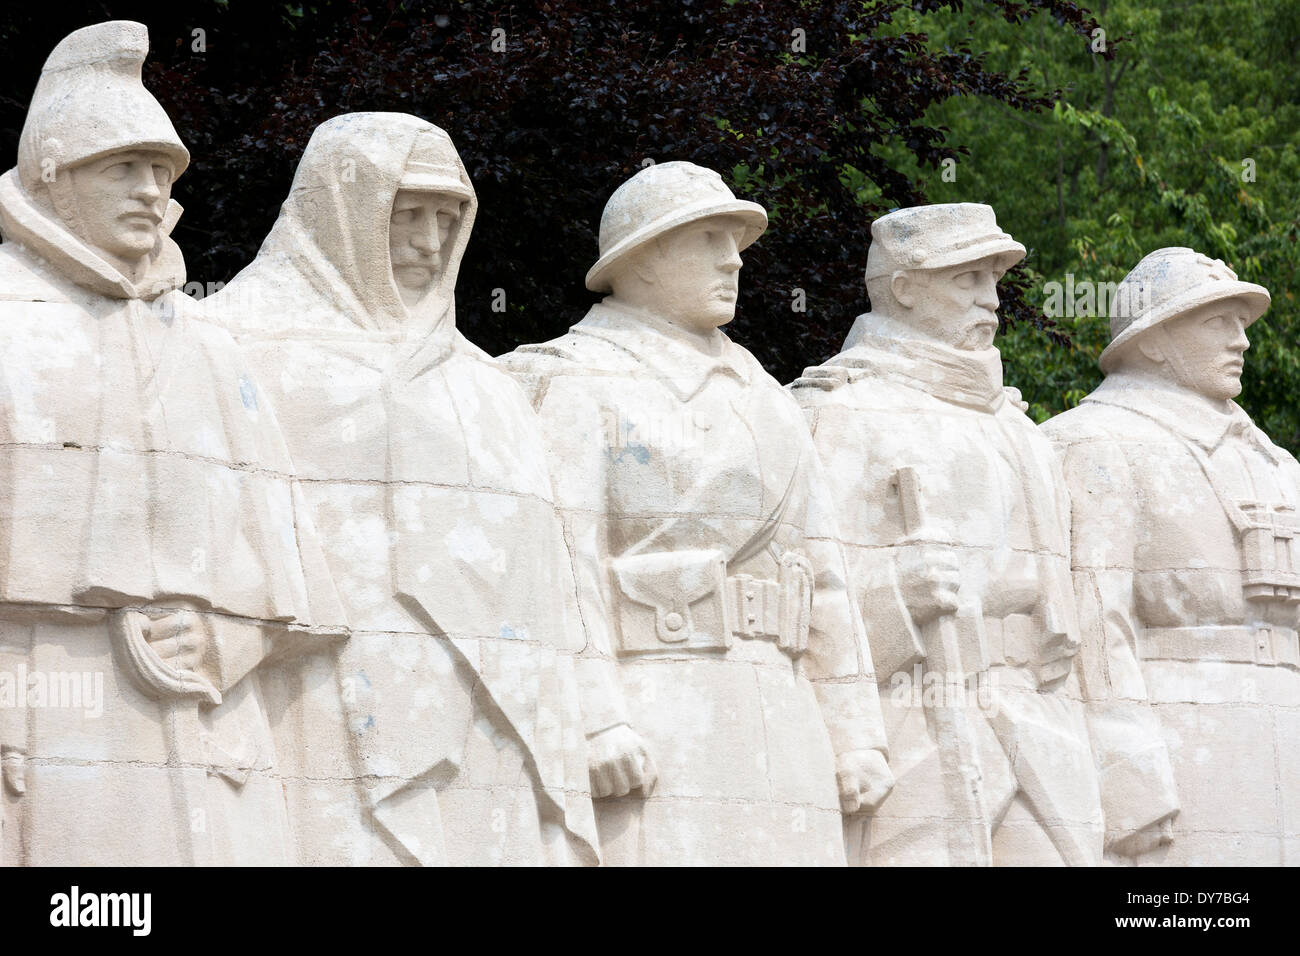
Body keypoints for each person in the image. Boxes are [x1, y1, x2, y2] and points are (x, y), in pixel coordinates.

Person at [199, 112, 599, 865]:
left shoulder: (489, 386)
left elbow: (555, 575)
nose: (428, 242)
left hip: (498, 715)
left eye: (447, 218)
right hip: (321, 700)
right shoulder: (229, 342)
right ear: (339, 210)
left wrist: (590, 715)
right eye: (405, 215)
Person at [0, 20, 343, 865]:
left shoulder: (212, 345)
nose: (151, 189)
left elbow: (293, 566)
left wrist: (236, 640)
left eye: (162, 170)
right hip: (49, 700)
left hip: (215, 721)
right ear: (52, 175)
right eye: (122, 166)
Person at [501, 161, 893, 865]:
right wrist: (596, 717)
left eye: (735, 241)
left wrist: (856, 729)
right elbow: (562, 558)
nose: (732, 258)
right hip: (658, 698)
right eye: (709, 237)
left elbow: (824, 570)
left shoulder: (767, 394)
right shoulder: (572, 377)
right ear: (644, 257)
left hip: (785, 704)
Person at [791, 203, 1160, 865]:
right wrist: (896, 591)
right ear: (905, 289)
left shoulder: (1017, 428)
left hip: (1041, 729)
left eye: (993, 278)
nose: (991, 298)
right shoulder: (838, 410)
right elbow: (807, 596)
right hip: (918, 722)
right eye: (966, 279)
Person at [1042, 247, 1294, 865]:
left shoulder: (1277, 463)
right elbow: (1095, 622)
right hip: (1183, 742)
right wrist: (1124, 766)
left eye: (1242, 324)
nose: (1242, 341)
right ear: (1153, 342)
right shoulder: (1094, 440)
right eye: (1216, 323)